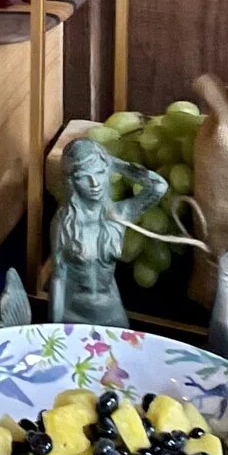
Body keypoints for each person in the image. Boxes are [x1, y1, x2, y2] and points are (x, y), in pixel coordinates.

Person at [48, 136, 166, 328]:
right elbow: (59, 276)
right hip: (72, 312)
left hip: (111, 312)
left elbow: (159, 186)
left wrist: (114, 164)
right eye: (84, 176)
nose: (95, 183)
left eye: (100, 173)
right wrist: (53, 326)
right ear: (72, 182)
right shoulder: (64, 222)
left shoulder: (118, 214)